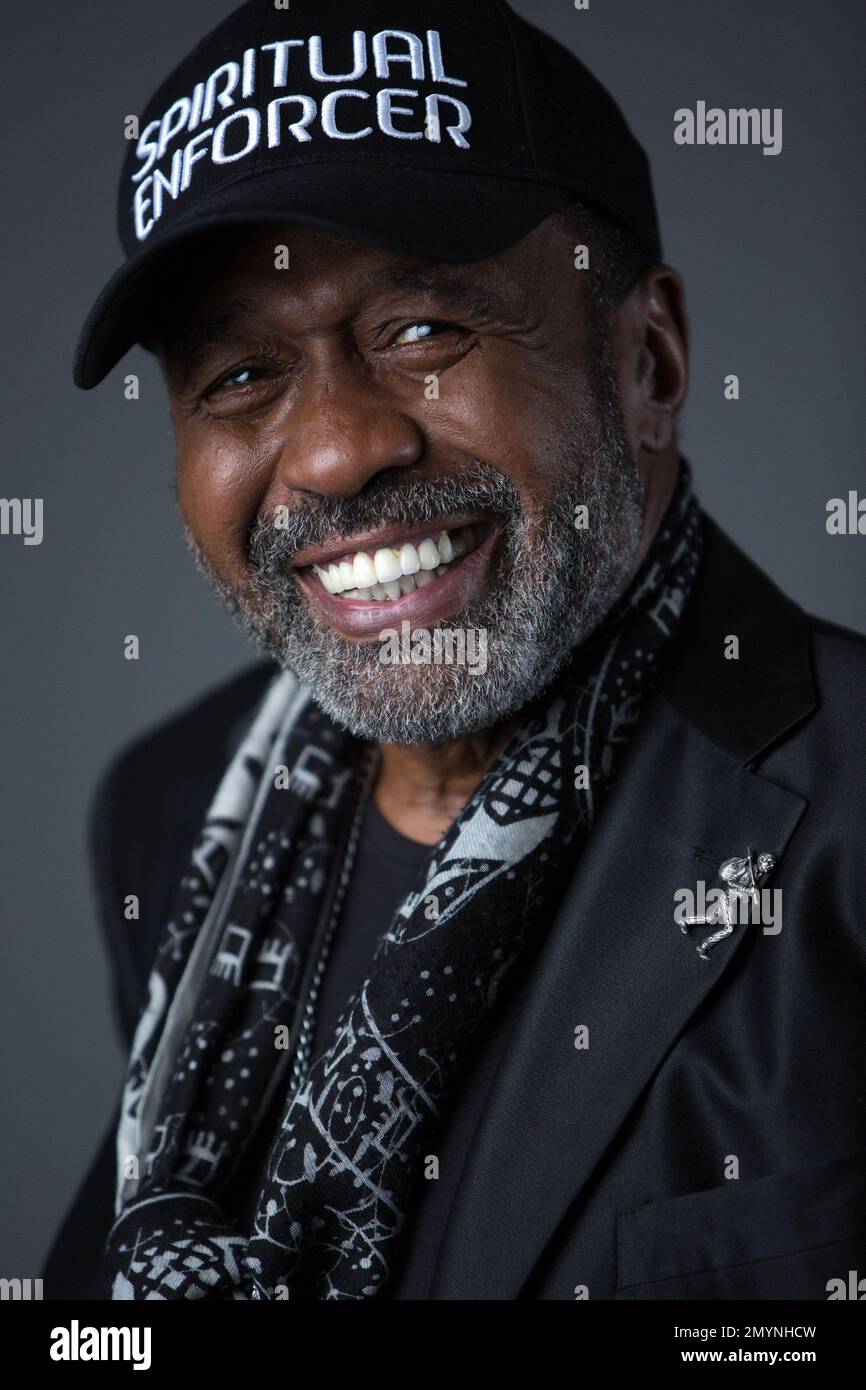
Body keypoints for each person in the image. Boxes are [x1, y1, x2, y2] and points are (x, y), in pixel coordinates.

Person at [46, 0, 866, 1300]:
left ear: (646, 360)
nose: (329, 450)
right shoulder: (164, 803)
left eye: (423, 331)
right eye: (240, 376)